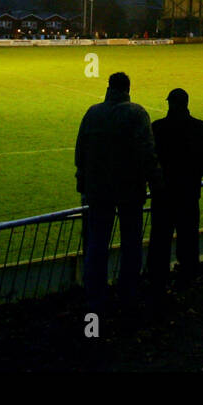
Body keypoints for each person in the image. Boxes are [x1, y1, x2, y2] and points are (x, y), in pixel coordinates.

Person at [75, 72, 160, 315]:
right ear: (128, 88)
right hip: (129, 189)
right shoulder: (136, 113)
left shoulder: (92, 113)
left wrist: (82, 180)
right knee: (131, 242)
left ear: (109, 87)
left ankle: (94, 298)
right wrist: (156, 183)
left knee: (97, 243)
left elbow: (80, 150)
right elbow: (147, 152)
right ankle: (128, 295)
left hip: (98, 189)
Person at [148, 88, 203, 287]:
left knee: (160, 237)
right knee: (188, 235)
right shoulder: (199, 127)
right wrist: (194, 175)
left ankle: (157, 280)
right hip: (189, 191)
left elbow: (147, 158)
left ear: (170, 103)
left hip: (163, 193)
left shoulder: (157, 128)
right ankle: (188, 277)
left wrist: (154, 180)